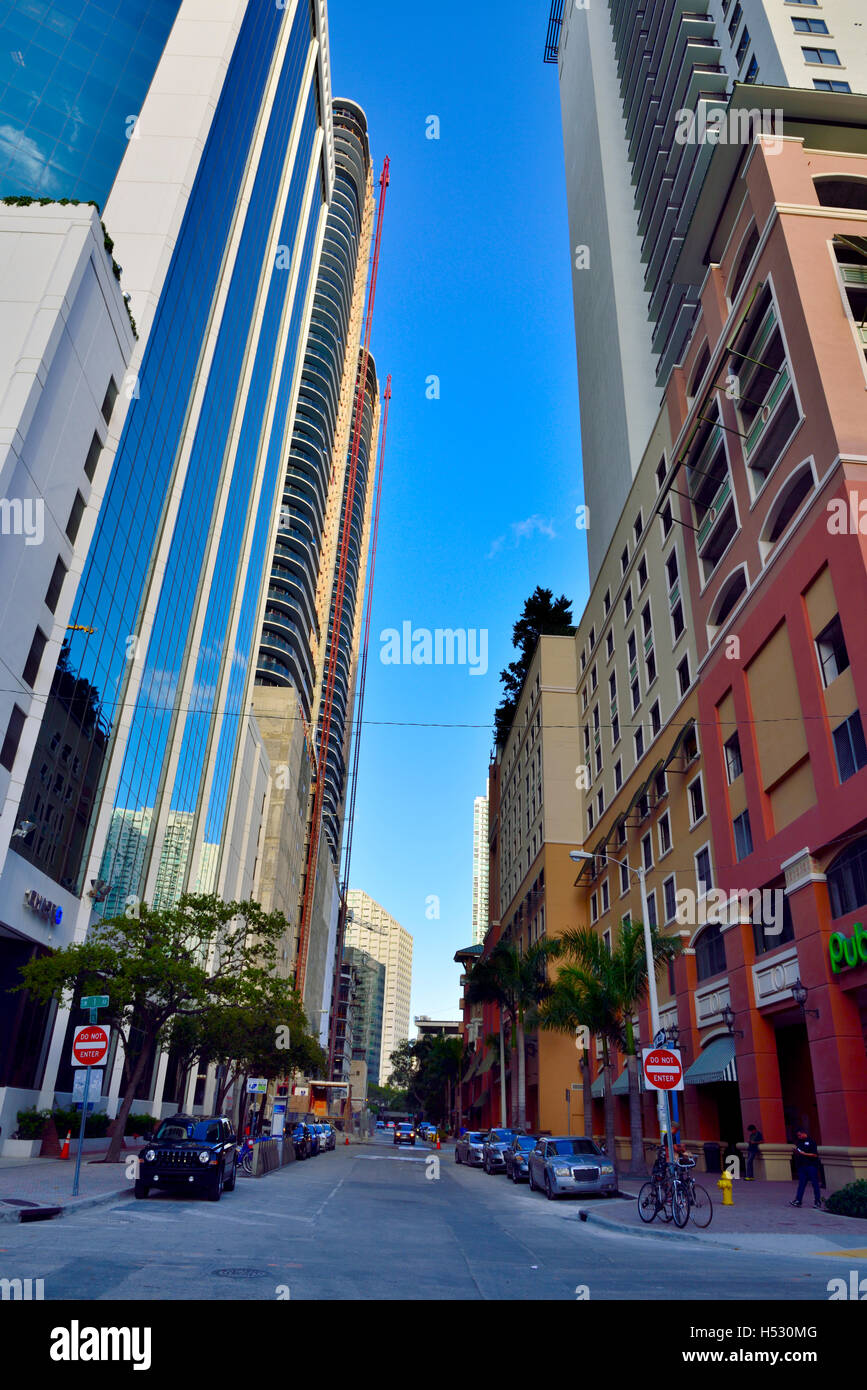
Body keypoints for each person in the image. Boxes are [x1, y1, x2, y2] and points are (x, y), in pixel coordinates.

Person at [789, 1129, 822, 1208]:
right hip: (801, 1166)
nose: (799, 1136)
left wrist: (804, 1154)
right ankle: (798, 1200)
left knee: (815, 1184)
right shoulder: (799, 1142)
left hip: (811, 1166)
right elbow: (799, 1152)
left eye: (800, 1135)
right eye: (798, 1135)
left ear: (804, 1133)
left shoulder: (811, 1142)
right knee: (801, 1184)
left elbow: (815, 1155)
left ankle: (817, 1201)